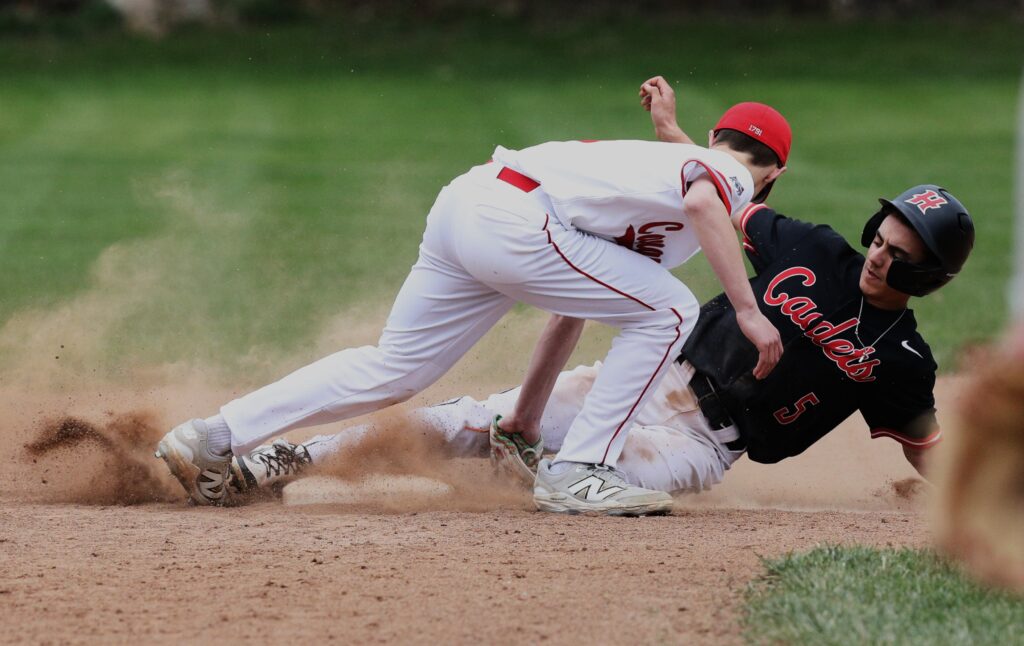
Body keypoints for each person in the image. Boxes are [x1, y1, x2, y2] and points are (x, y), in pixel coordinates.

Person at [155, 78, 791, 515]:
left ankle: (215, 435)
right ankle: (581, 471)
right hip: (520, 222)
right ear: (775, 173)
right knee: (675, 307)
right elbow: (709, 196)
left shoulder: (673, 179)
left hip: (472, 202)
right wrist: (746, 310)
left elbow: (576, 302)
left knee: (394, 367)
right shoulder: (727, 179)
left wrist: (527, 417)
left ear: (714, 135)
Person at [223, 177, 975, 503]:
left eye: (902, 247)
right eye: (884, 230)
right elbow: (715, 199)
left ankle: (504, 467)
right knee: (474, 420)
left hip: (702, 447)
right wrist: (676, 144)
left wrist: (967, 495)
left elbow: (924, 446)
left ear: (930, 275)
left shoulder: (903, 362)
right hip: (648, 378)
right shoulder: (813, 249)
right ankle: (276, 462)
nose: (880, 248)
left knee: (585, 488)